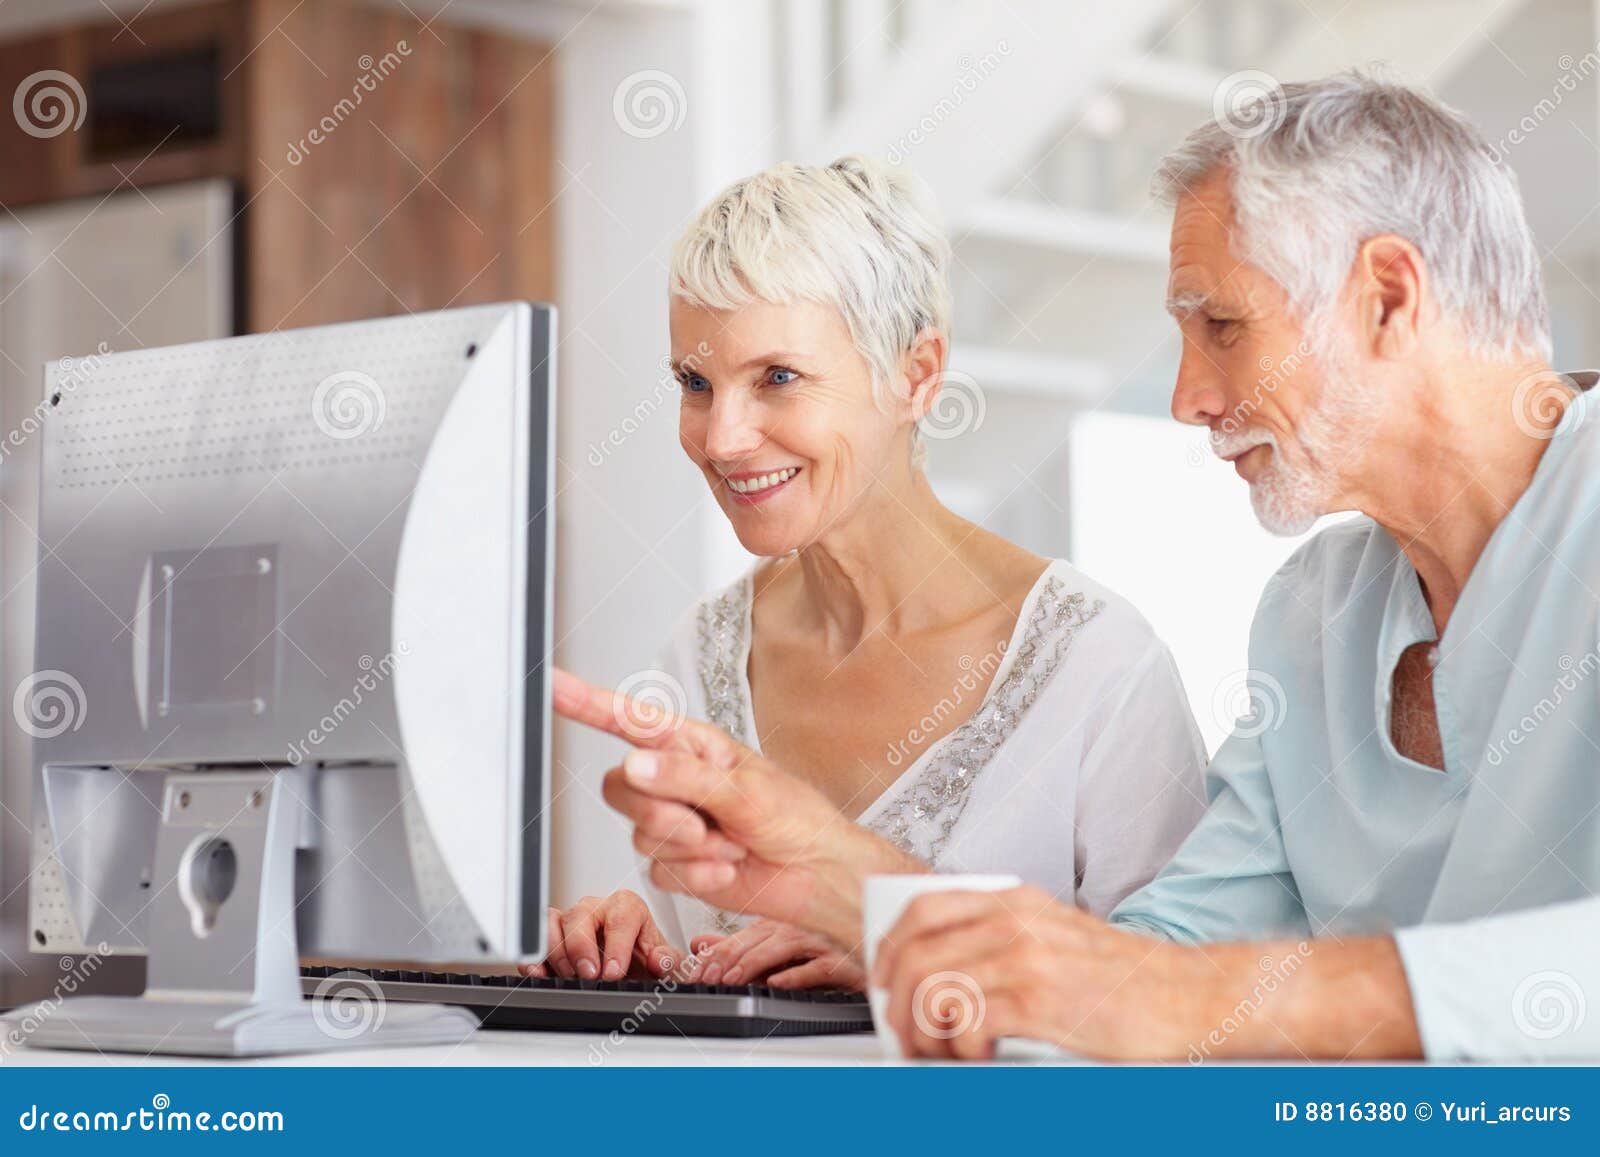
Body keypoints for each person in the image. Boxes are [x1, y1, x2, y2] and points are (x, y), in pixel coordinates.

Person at [561, 72, 1600, 1061]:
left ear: (1386, 296)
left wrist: (1177, 997)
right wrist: (832, 868)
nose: (1188, 395)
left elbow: (1168, 994)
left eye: (1223, 327)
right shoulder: (1313, 613)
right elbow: (1151, 958)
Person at [534, 155, 1207, 989]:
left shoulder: (1101, 665)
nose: (721, 437)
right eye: (695, 383)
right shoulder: (699, 655)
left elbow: (1190, 1018)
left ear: (916, 375)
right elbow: (702, 982)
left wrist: (903, 941)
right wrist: (635, 948)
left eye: (777, 377)